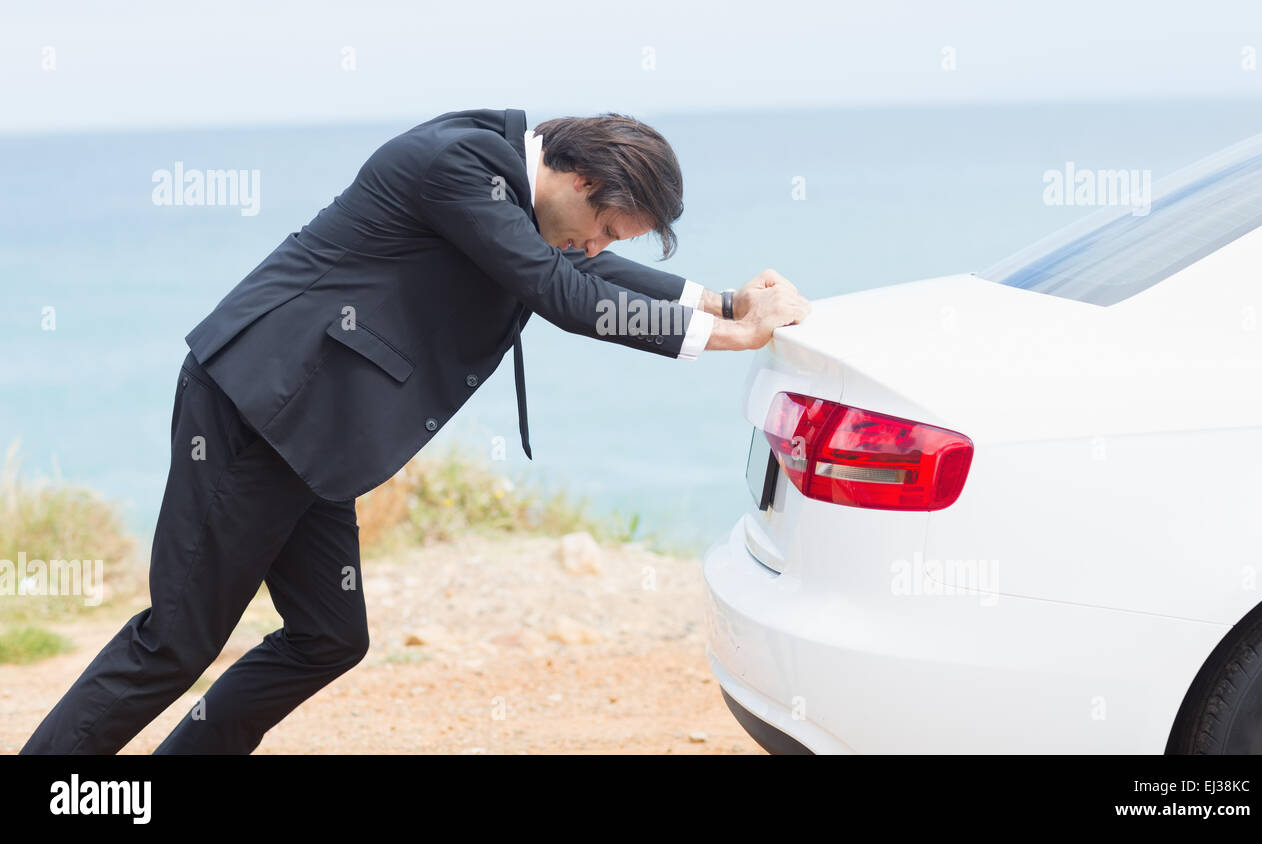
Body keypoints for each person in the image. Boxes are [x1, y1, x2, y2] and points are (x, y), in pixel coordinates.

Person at [20, 107, 811, 754]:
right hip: (259, 410)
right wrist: (733, 339)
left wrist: (720, 301)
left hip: (320, 439)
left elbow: (582, 271)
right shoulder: (461, 165)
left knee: (328, 637)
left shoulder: (520, 198)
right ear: (578, 178)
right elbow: (559, 289)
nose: (595, 245)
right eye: (602, 224)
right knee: (177, 641)